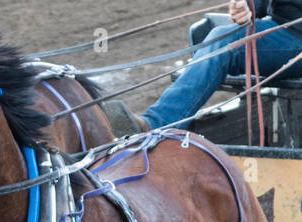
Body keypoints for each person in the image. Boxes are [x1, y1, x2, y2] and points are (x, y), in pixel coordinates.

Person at [111, 1, 302, 133]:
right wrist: (247, 6)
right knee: (216, 37)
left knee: (224, 43)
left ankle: (157, 125)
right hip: (283, 27)